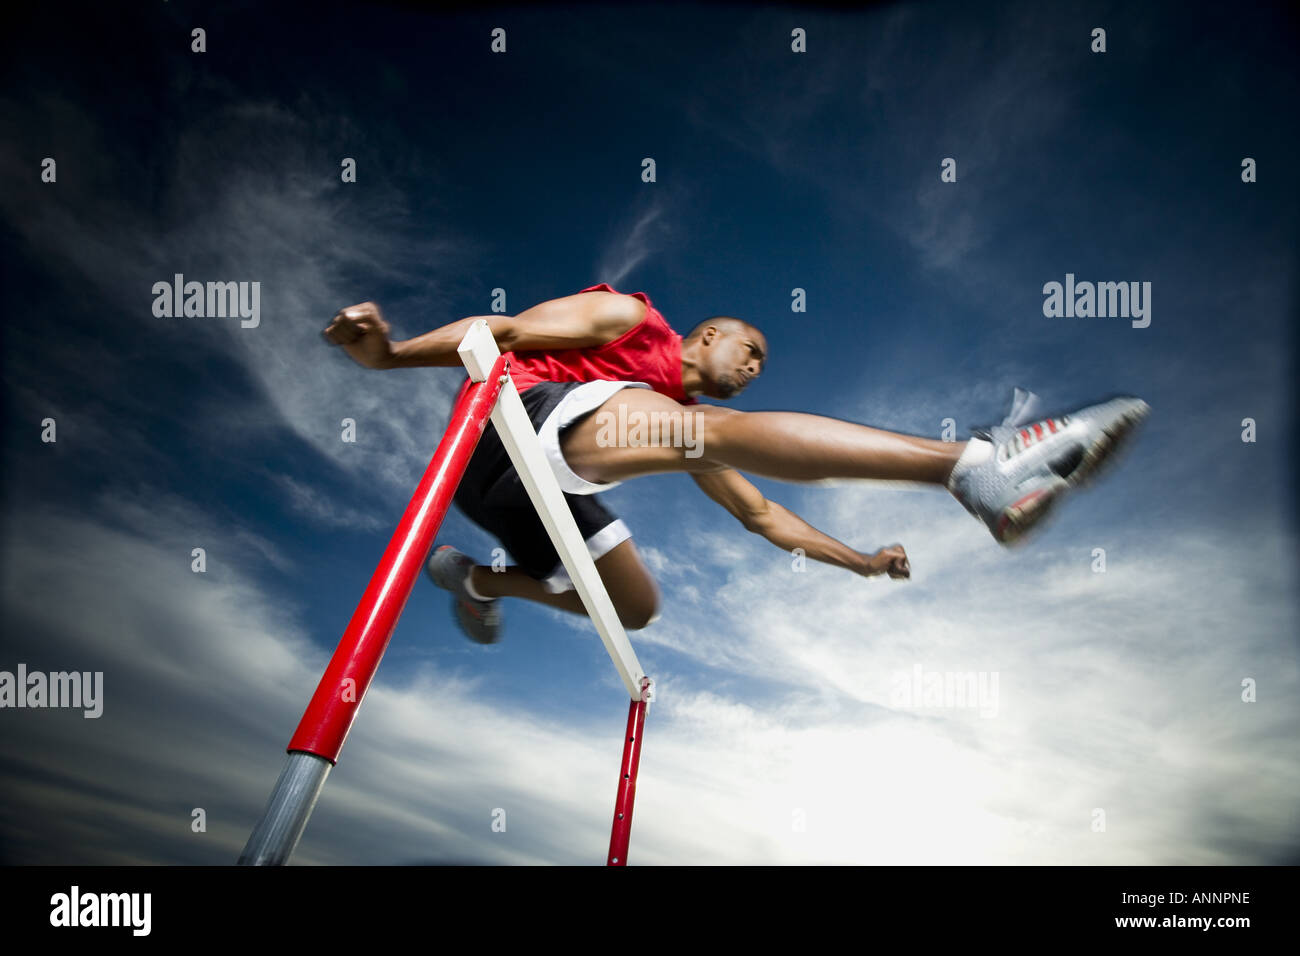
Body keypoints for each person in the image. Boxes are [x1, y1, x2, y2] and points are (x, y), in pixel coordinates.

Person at [322, 282, 1149, 643]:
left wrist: (859, 564)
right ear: (705, 337)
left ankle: (478, 582)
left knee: (635, 610)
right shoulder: (628, 321)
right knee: (705, 434)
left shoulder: (680, 424)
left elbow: (760, 514)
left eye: (762, 364)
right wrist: (390, 356)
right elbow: (500, 333)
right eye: (748, 349)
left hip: (535, 498)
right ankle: (972, 465)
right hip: (505, 430)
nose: (755, 365)